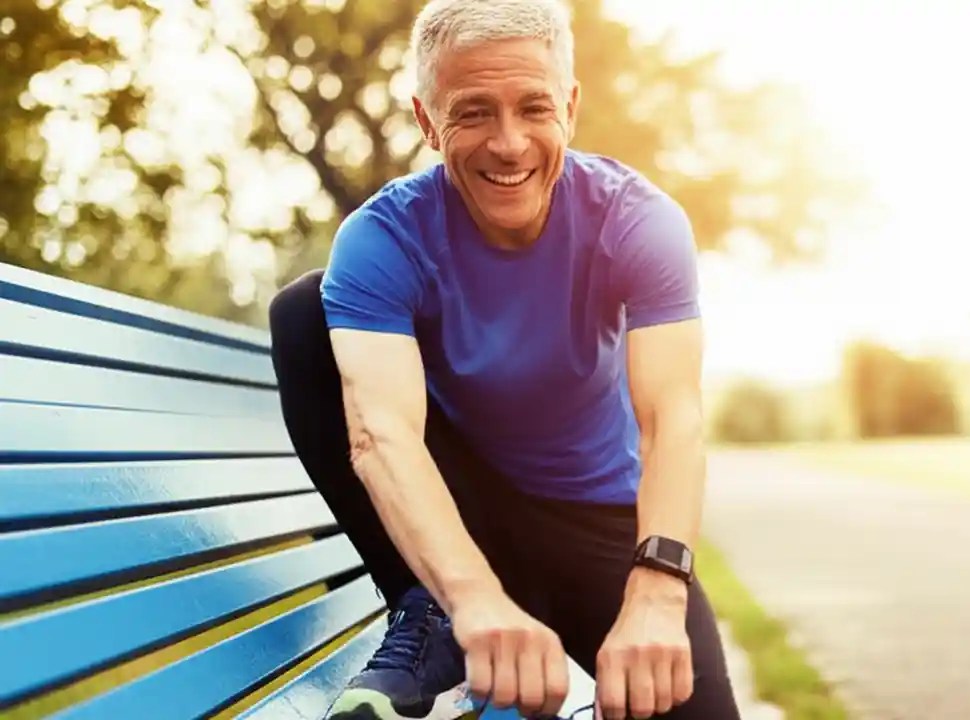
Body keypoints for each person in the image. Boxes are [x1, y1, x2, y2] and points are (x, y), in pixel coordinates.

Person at [267, 0, 741, 718]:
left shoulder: (639, 221)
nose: (510, 143)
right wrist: (471, 599)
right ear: (427, 121)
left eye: (533, 108)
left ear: (570, 108)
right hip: (464, 514)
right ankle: (425, 611)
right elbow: (380, 436)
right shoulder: (383, 239)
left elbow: (672, 418)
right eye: (474, 113)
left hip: (602, 521)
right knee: (304, 311)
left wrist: (657, 590)